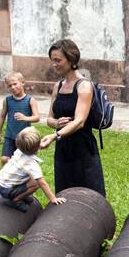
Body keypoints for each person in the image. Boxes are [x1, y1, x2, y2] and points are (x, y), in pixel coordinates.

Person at [38, 38, 106, 196]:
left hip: (82, 148)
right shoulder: (58, 86)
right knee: (64, 193)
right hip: (63, 149)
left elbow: (80, 121)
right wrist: (56, 123)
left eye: (58, 60)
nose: (54, 64)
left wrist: (54, 136)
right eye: (52, 60)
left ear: (71, 59)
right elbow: (49, 118)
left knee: (89, 194)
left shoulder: (84, 86)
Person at [0, 127, 65, 211]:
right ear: (38, 146)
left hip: (0, 183)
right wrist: (53, 199)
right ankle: (16, 200)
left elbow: (29, 147)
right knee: (36, 183)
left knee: (29, 176)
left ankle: (20, 195)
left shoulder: (19, 150)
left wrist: (37, 146)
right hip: (6, 190)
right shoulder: (31, 164)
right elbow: (42, 183)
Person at [0, 72, 41, 165]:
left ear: (22, 82)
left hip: (24, 138)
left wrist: (25, 118)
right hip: (10, 136)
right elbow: (2, 116)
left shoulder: (30, 100)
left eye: (15, 84)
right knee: (4, 159)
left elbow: (37, 118)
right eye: (9, 86)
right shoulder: (7, 100)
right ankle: (1, 179)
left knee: (24, 162)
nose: (13, 87)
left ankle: (25, 179)